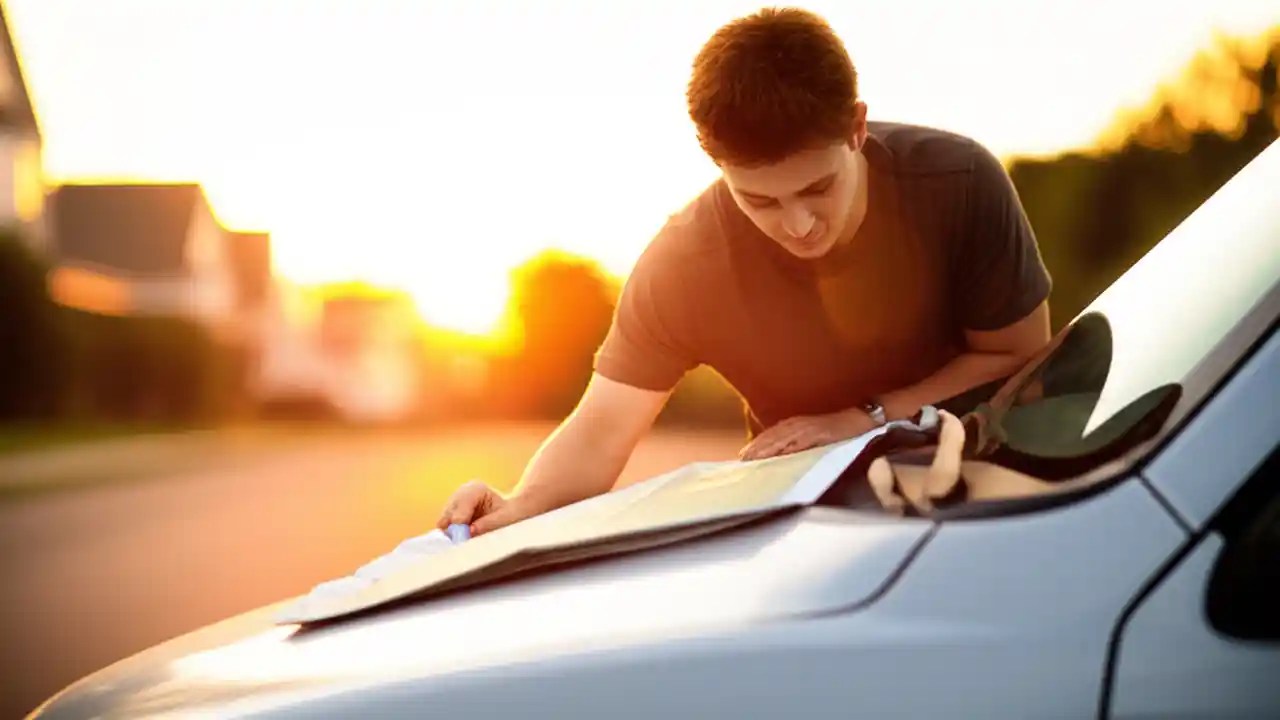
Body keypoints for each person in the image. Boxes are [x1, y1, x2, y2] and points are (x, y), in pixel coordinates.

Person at [438, 6, 1052, 536]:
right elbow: (601, 429)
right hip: (810, 523)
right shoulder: (685, 262)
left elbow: (1016, 355)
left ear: (857, 128)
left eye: (817, 188)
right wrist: (517, 507)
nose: (799, 224)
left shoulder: (959, 181)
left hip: (998, 489)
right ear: (716, 162)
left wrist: (857, 420)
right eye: (760, 201)